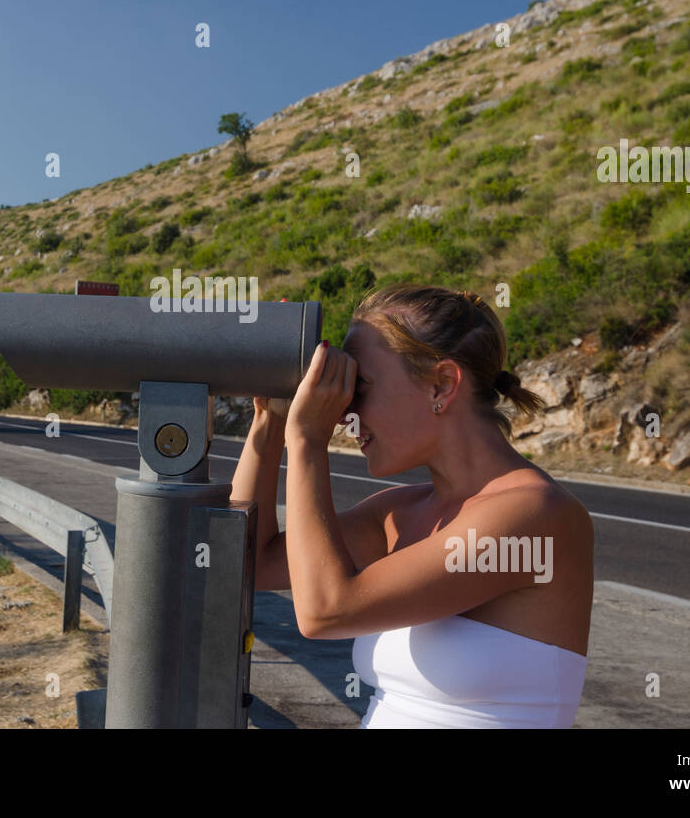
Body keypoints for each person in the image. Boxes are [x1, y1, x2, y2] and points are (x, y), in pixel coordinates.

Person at [231, 284, 594, 727]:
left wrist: (307, 441)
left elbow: (325, 610)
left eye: (358, 386)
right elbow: (245, 560)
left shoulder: (536, 516)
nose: (345, 410)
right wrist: (271, 421)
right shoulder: (398, 513)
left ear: (441, 385)